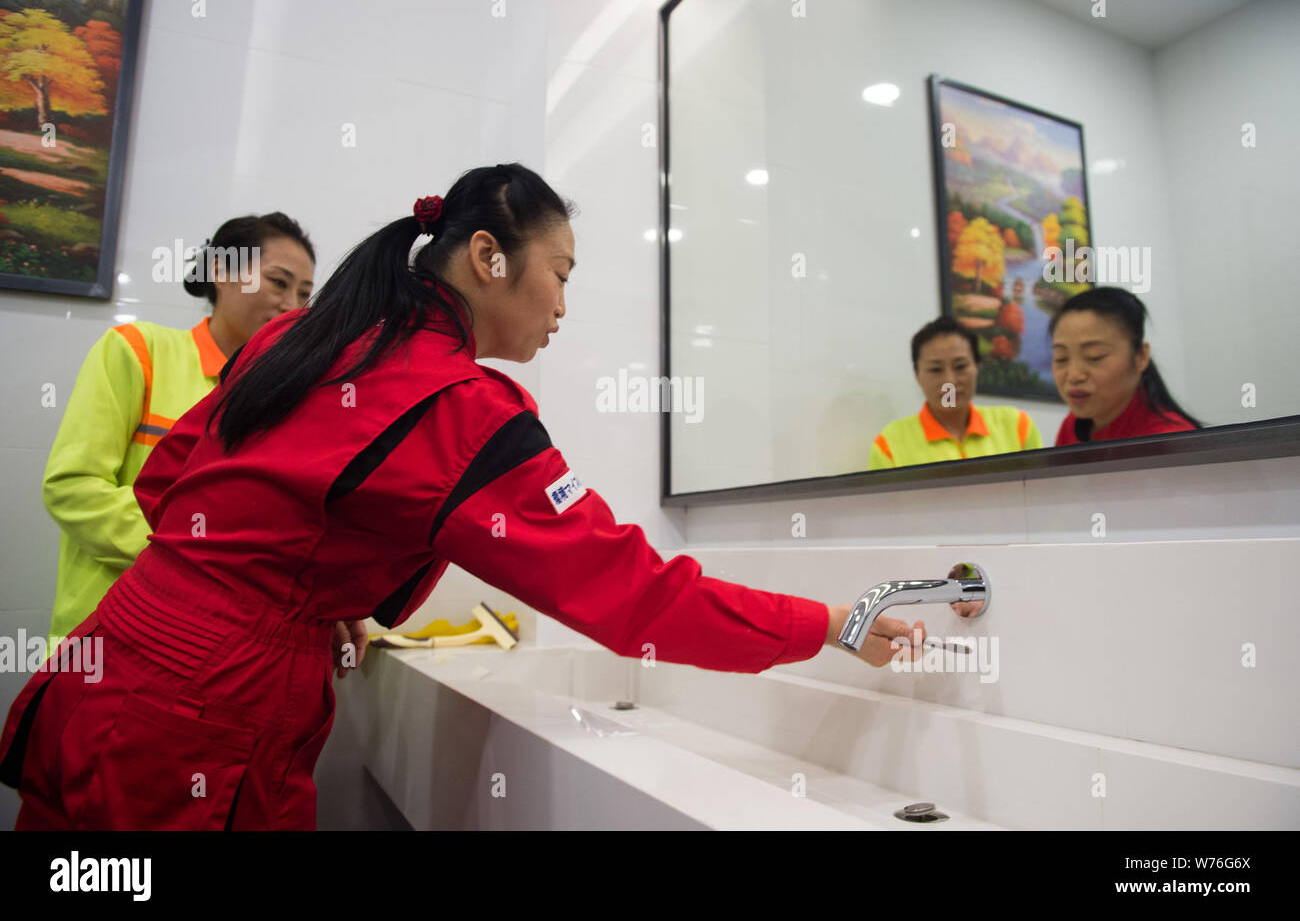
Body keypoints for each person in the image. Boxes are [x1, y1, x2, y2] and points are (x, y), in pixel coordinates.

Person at [0, 164, 927, 831]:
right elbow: (637, 599)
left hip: (111, 660)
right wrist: (831, 622)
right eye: (560, 274)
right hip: (206, 715)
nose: (564, 306)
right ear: (488, 255)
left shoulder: (296, 340)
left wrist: (307, 593)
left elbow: (169, 495)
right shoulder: (464, 411)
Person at [40, 212, 316, 647]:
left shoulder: (283, 399)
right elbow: (73, 488)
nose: (291, 306)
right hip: (107, 635)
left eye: (304, 294)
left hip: (215, 645)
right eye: (278, 282)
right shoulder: (138, 350)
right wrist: (200, 554)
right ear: (222, 271)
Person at [868, 316, 1042, 469]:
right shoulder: (889, 445)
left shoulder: (1018, 426)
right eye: (935, 369)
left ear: (977, 366)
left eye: (960, 366)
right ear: (917, 376)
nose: (950, 382)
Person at [1050, 286, 1199, 444]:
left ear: (1141, 357)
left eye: (1095, 356)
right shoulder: (1072, 426)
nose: (1074, 375)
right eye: (1061, 358)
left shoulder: (1169, 441)